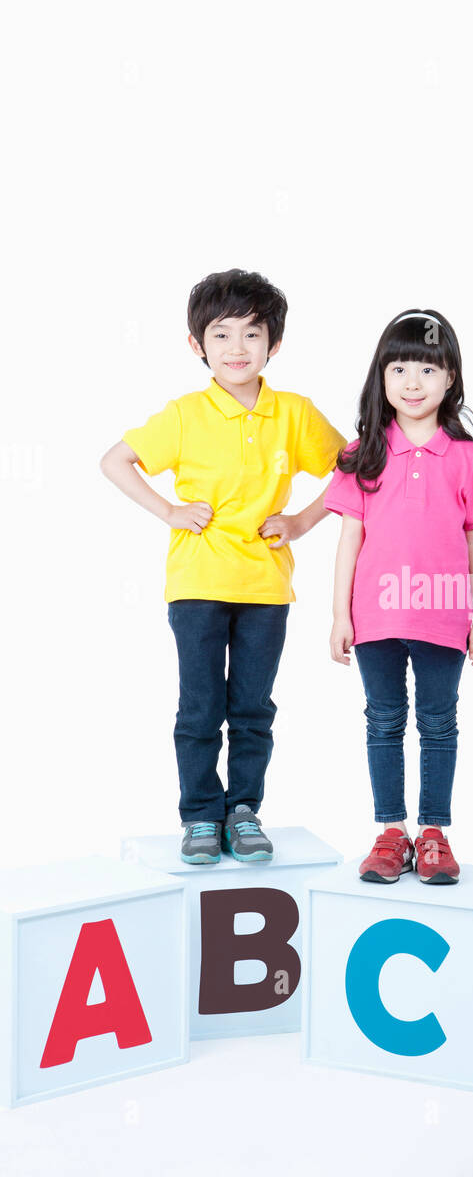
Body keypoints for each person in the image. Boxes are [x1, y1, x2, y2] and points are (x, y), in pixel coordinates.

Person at [100, 268, 346, 864]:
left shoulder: (293, 412)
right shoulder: (185, 414)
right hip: (198, 583)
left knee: (254, 708)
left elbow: (356, 468)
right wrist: (169, 510)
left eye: (252, 335)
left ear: (275, 345)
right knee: (201, 705)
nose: (237, 348)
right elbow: (116, 460)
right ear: (197, 345)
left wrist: (301, 522)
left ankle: (243, 811)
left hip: (266, 585)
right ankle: (200, 816)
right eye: (222, 334)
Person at [325, 309, 473, 885]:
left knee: (438, 722)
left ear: (450, 377)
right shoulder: (364, 453)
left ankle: (433, 833)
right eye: (398, 368)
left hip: (445, 614)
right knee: (383, 720)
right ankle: (390, 831)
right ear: (381, 377)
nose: (411, 382)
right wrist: (338, 615)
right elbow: (349, 538)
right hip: (376, 615)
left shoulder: (470, 459)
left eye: (426, 369)